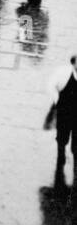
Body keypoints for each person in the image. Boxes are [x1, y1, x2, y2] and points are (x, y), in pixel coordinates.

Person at [50, 56, 77, 184]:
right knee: (62, 135)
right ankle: (61, 154)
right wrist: (57, 101)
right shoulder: (63, 74)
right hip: (65, 111)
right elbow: (51, 86)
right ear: (73, 63)